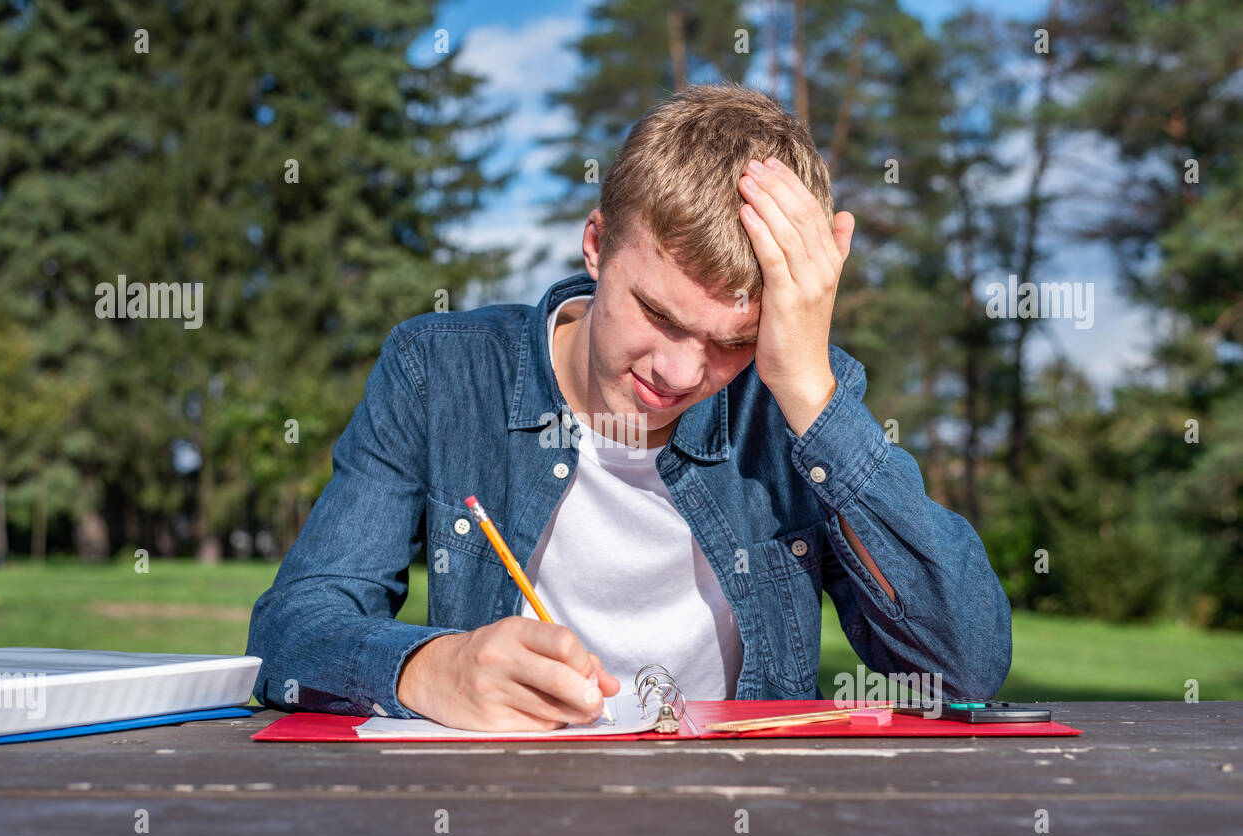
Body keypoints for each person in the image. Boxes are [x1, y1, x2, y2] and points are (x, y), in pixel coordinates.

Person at [246, 81, 1012, 730]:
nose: (680, 371)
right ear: (596, 242)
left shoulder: (795, 400)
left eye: (732, 341)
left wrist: (810, 390)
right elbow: (289, 633)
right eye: (659, 314)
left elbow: (964, 667)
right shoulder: (439, 373)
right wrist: (429, 667)